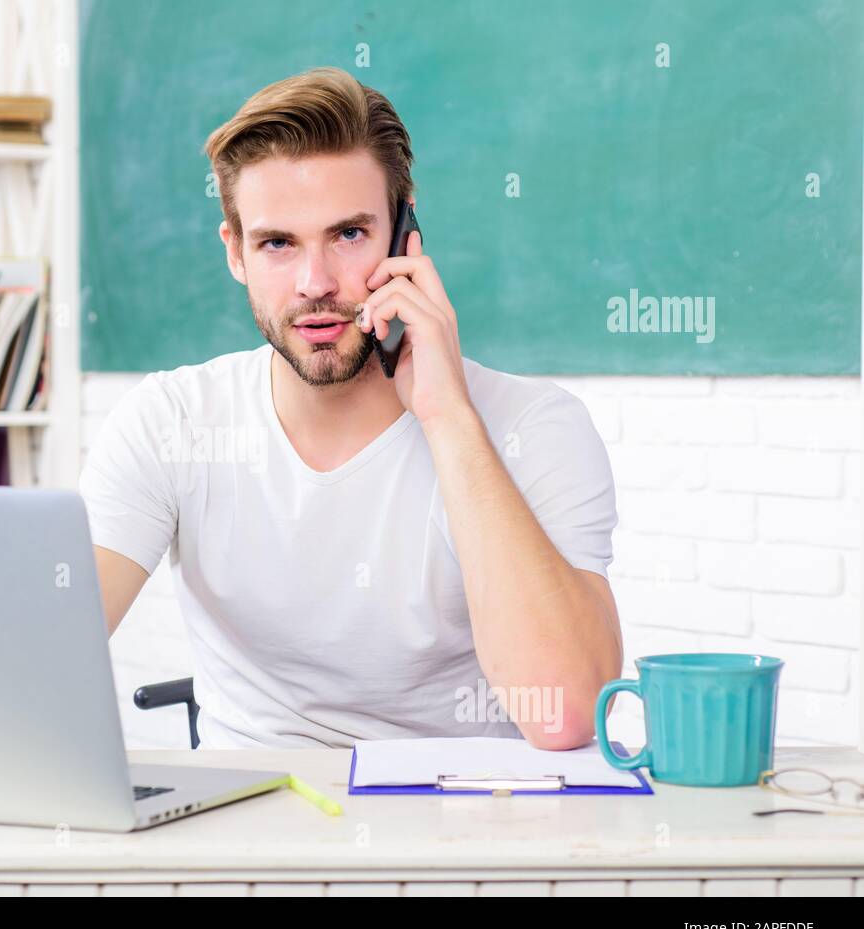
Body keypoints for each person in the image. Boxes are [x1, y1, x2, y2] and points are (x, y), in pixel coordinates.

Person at [80, 67, 622, 750]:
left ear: (404, 234)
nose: (315, 284)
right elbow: (41, 651)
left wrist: (449, 418)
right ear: (236, 253)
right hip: (251, 831)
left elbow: (567, 714)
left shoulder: (532, 427)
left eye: (348, 235)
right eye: (277, 243)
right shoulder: (172, 422)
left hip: (468, 832)